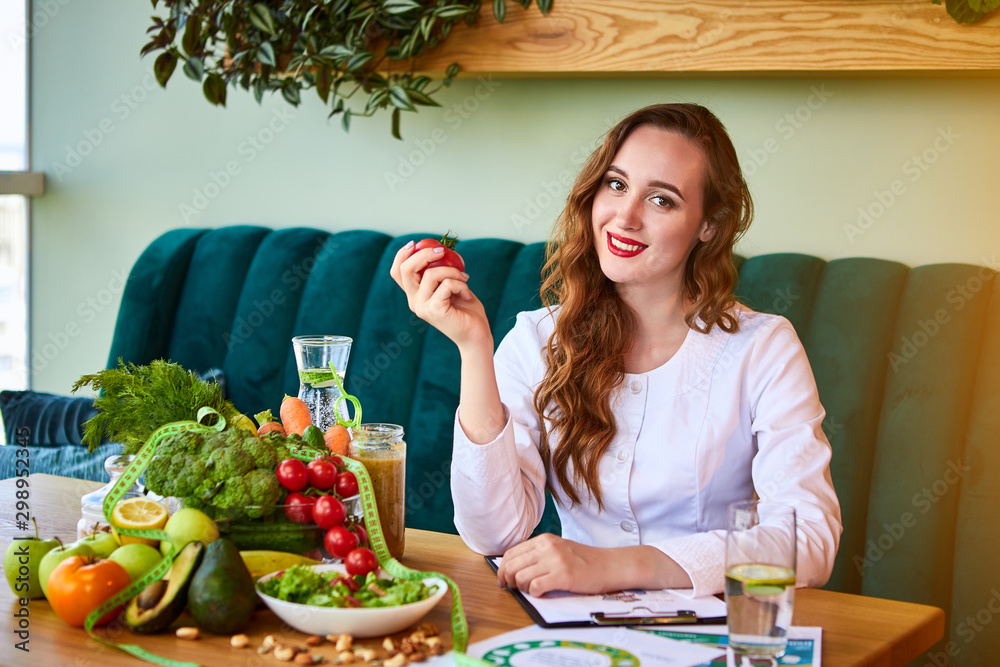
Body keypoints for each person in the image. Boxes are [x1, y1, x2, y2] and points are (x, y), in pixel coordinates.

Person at [390, 103, 841, 598]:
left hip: (716, 630)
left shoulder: (763, 347)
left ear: (708, 225)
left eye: (662, 200)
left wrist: (616, 567)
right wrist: (473, 346)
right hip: (572, 631)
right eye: (617, 184)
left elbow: (809, 538)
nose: (624, 217)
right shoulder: (539, 338)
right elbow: (493, 533)